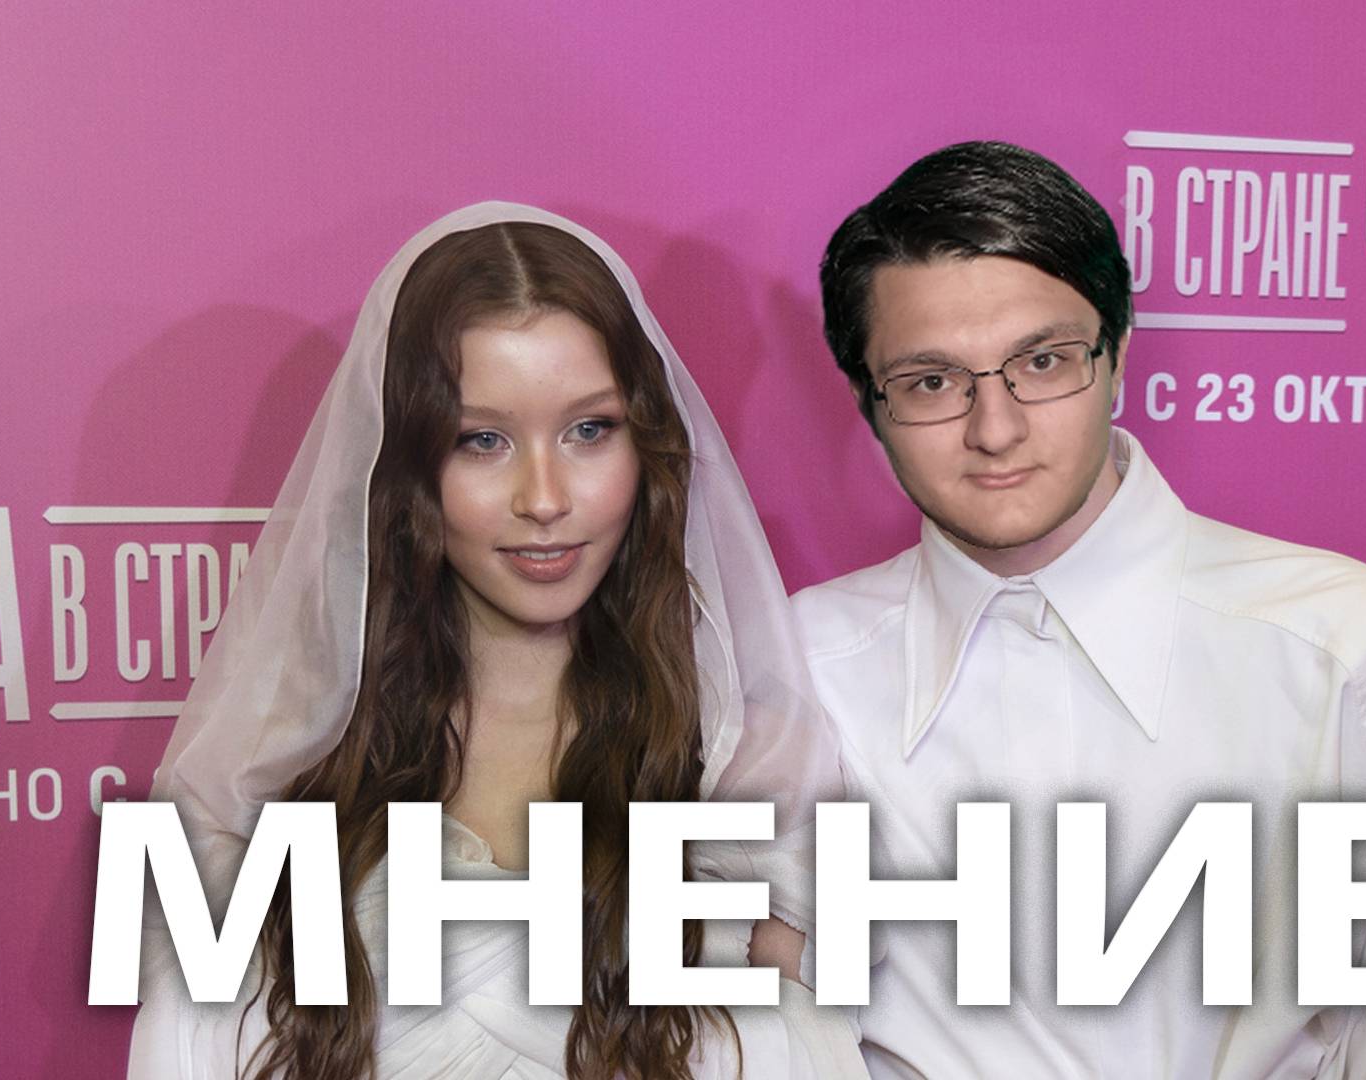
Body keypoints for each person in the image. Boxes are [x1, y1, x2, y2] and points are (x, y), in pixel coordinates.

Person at [787, 141, 1366, 1078]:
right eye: (931, 382)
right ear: (866, 403)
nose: (995, 429)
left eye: (1044, 362)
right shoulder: (790, 672)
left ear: (1117, 356)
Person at [126, 203, 867, 1080]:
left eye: (590, 430)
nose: (543, 497)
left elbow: (810, 1049)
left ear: (647, 443)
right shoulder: (279, 767)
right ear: (407, 467)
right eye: (482, 440)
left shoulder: (747, 760)